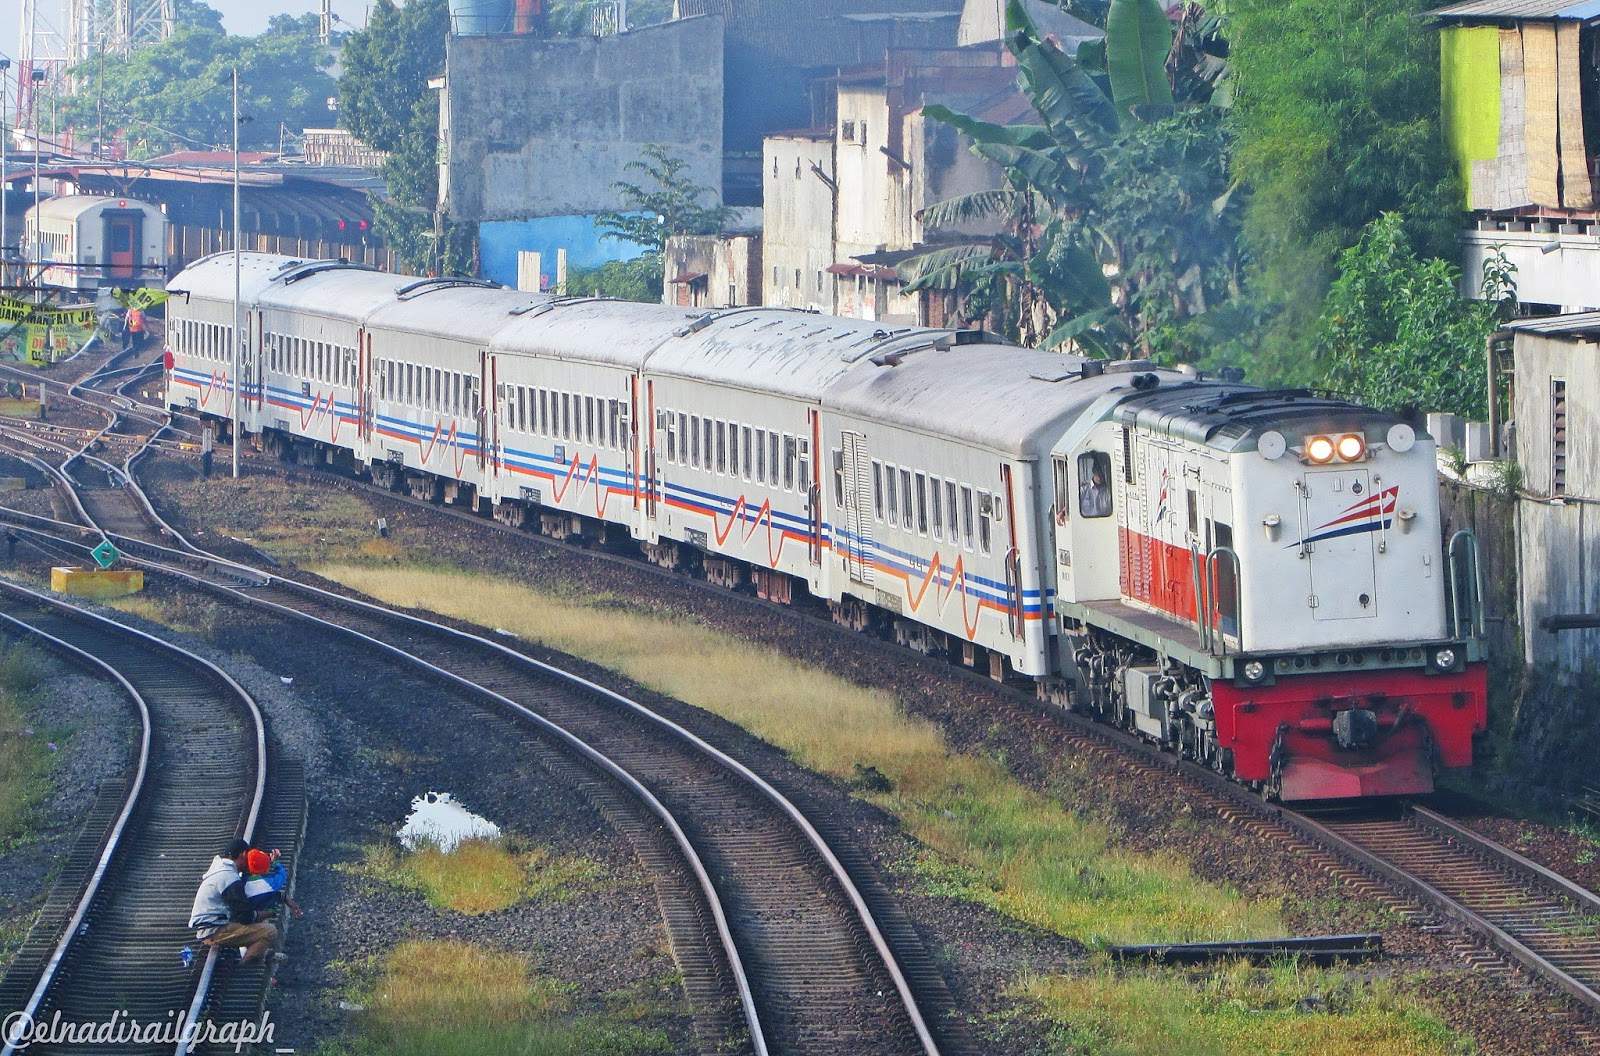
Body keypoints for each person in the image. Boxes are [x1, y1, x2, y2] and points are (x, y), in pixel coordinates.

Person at [187, 837, 280, 965]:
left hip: (210, 926)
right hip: (215, 930)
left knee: (258, 920)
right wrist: (270, 912)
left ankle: (259, 957)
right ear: (242, 855)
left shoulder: (222, 871)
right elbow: (245, 916)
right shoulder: (229, 877)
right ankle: (243, 967)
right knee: (269, 931)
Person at [242, 848, 303, 923]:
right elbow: (282, 875)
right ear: (266, 869)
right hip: (255, 920)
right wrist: (276, 862)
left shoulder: (242, 883)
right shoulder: (269, 884)